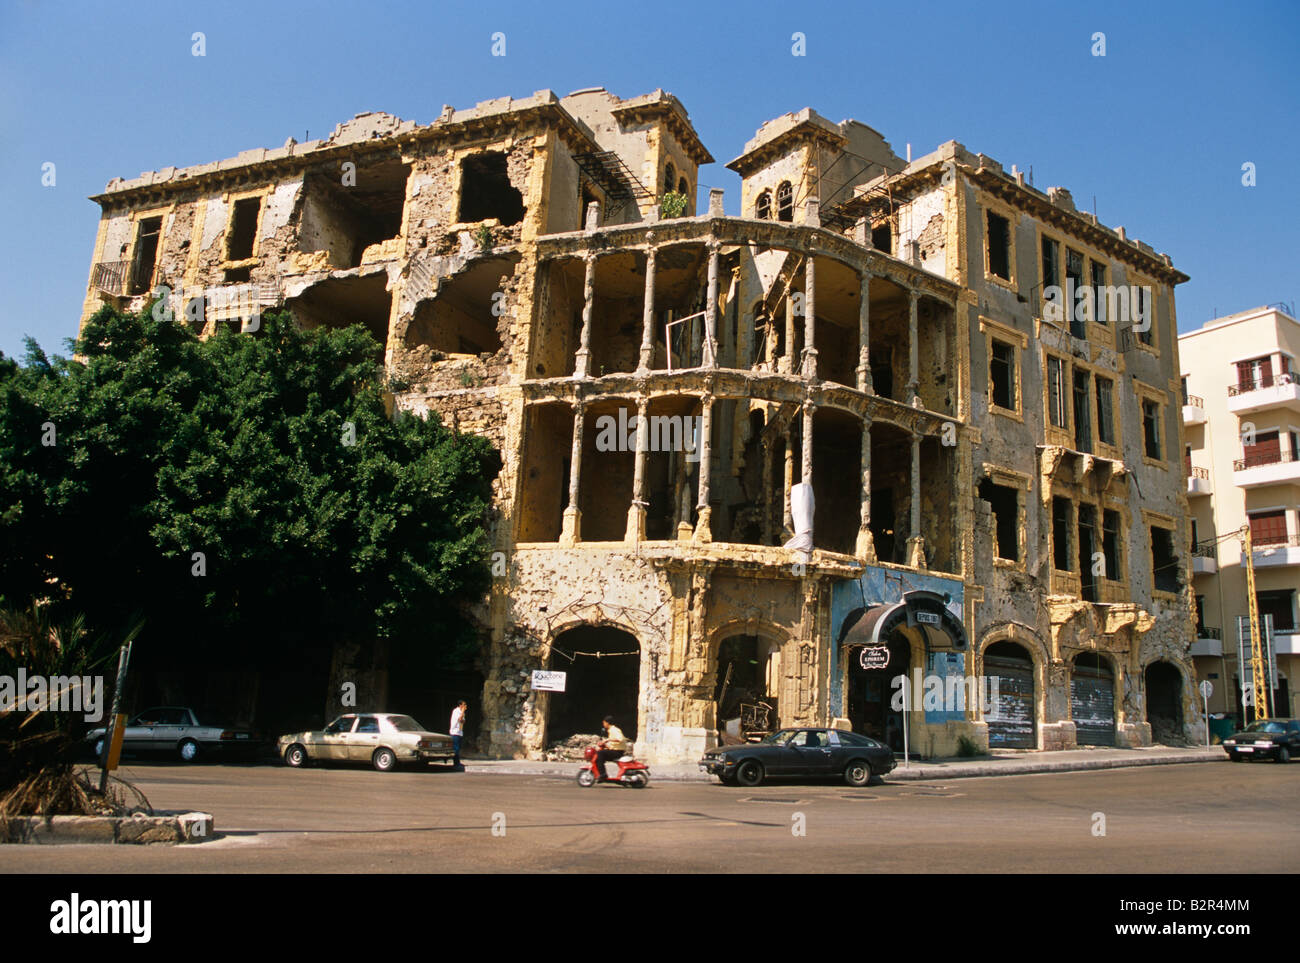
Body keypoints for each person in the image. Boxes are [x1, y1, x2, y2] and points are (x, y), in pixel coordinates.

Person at [595, 715, 627, 781]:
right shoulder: (610, 730)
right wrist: (604, 745)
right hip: (615, 751)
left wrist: (608, 740)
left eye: (604, 723)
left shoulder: (614, 730)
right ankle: (601, 774)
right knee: (600, 757)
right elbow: (613, 744)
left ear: (607, 723)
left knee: (600, 754)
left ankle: (603, 775)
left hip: (618, 752)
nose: (603, 725)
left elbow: (620, 739)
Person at [449, 700, 467, 768]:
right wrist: (462, 712)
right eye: (464, 704)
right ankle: (456, 763)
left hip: (460, 732)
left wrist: (462, 713)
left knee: (458, 748)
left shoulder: (462, 712)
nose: (465, 706)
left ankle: (458, 762)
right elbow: (460, 720)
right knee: (456, 748)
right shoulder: (456, 711)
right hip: (455, 732)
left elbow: (463, 721)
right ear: (460, 705)